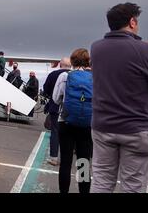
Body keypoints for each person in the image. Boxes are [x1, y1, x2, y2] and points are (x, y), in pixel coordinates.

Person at [90, 2, 148, 193]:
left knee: (101, 180)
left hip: (103, 126)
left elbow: (122, 54)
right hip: (138, 128)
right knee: (133, 186)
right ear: (132, 22)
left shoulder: (96, 48)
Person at [53, 48, 93, 194]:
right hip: (87, 124)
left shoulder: (65, 76)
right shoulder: (94, 77)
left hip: (66, 121)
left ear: (72, 61)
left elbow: (56, 99)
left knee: (65, 161)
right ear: (88, 61)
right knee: (84, 161)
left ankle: (64, 191)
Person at [43, 57, 72, 166]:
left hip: (55, 106)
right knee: (69, 134)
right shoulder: (74, 75)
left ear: (60, 64)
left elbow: (46, 90)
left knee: (55, 132)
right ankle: (67, 158)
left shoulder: (53, 75)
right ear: (71, 65)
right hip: (71, 108)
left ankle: (54, 157)